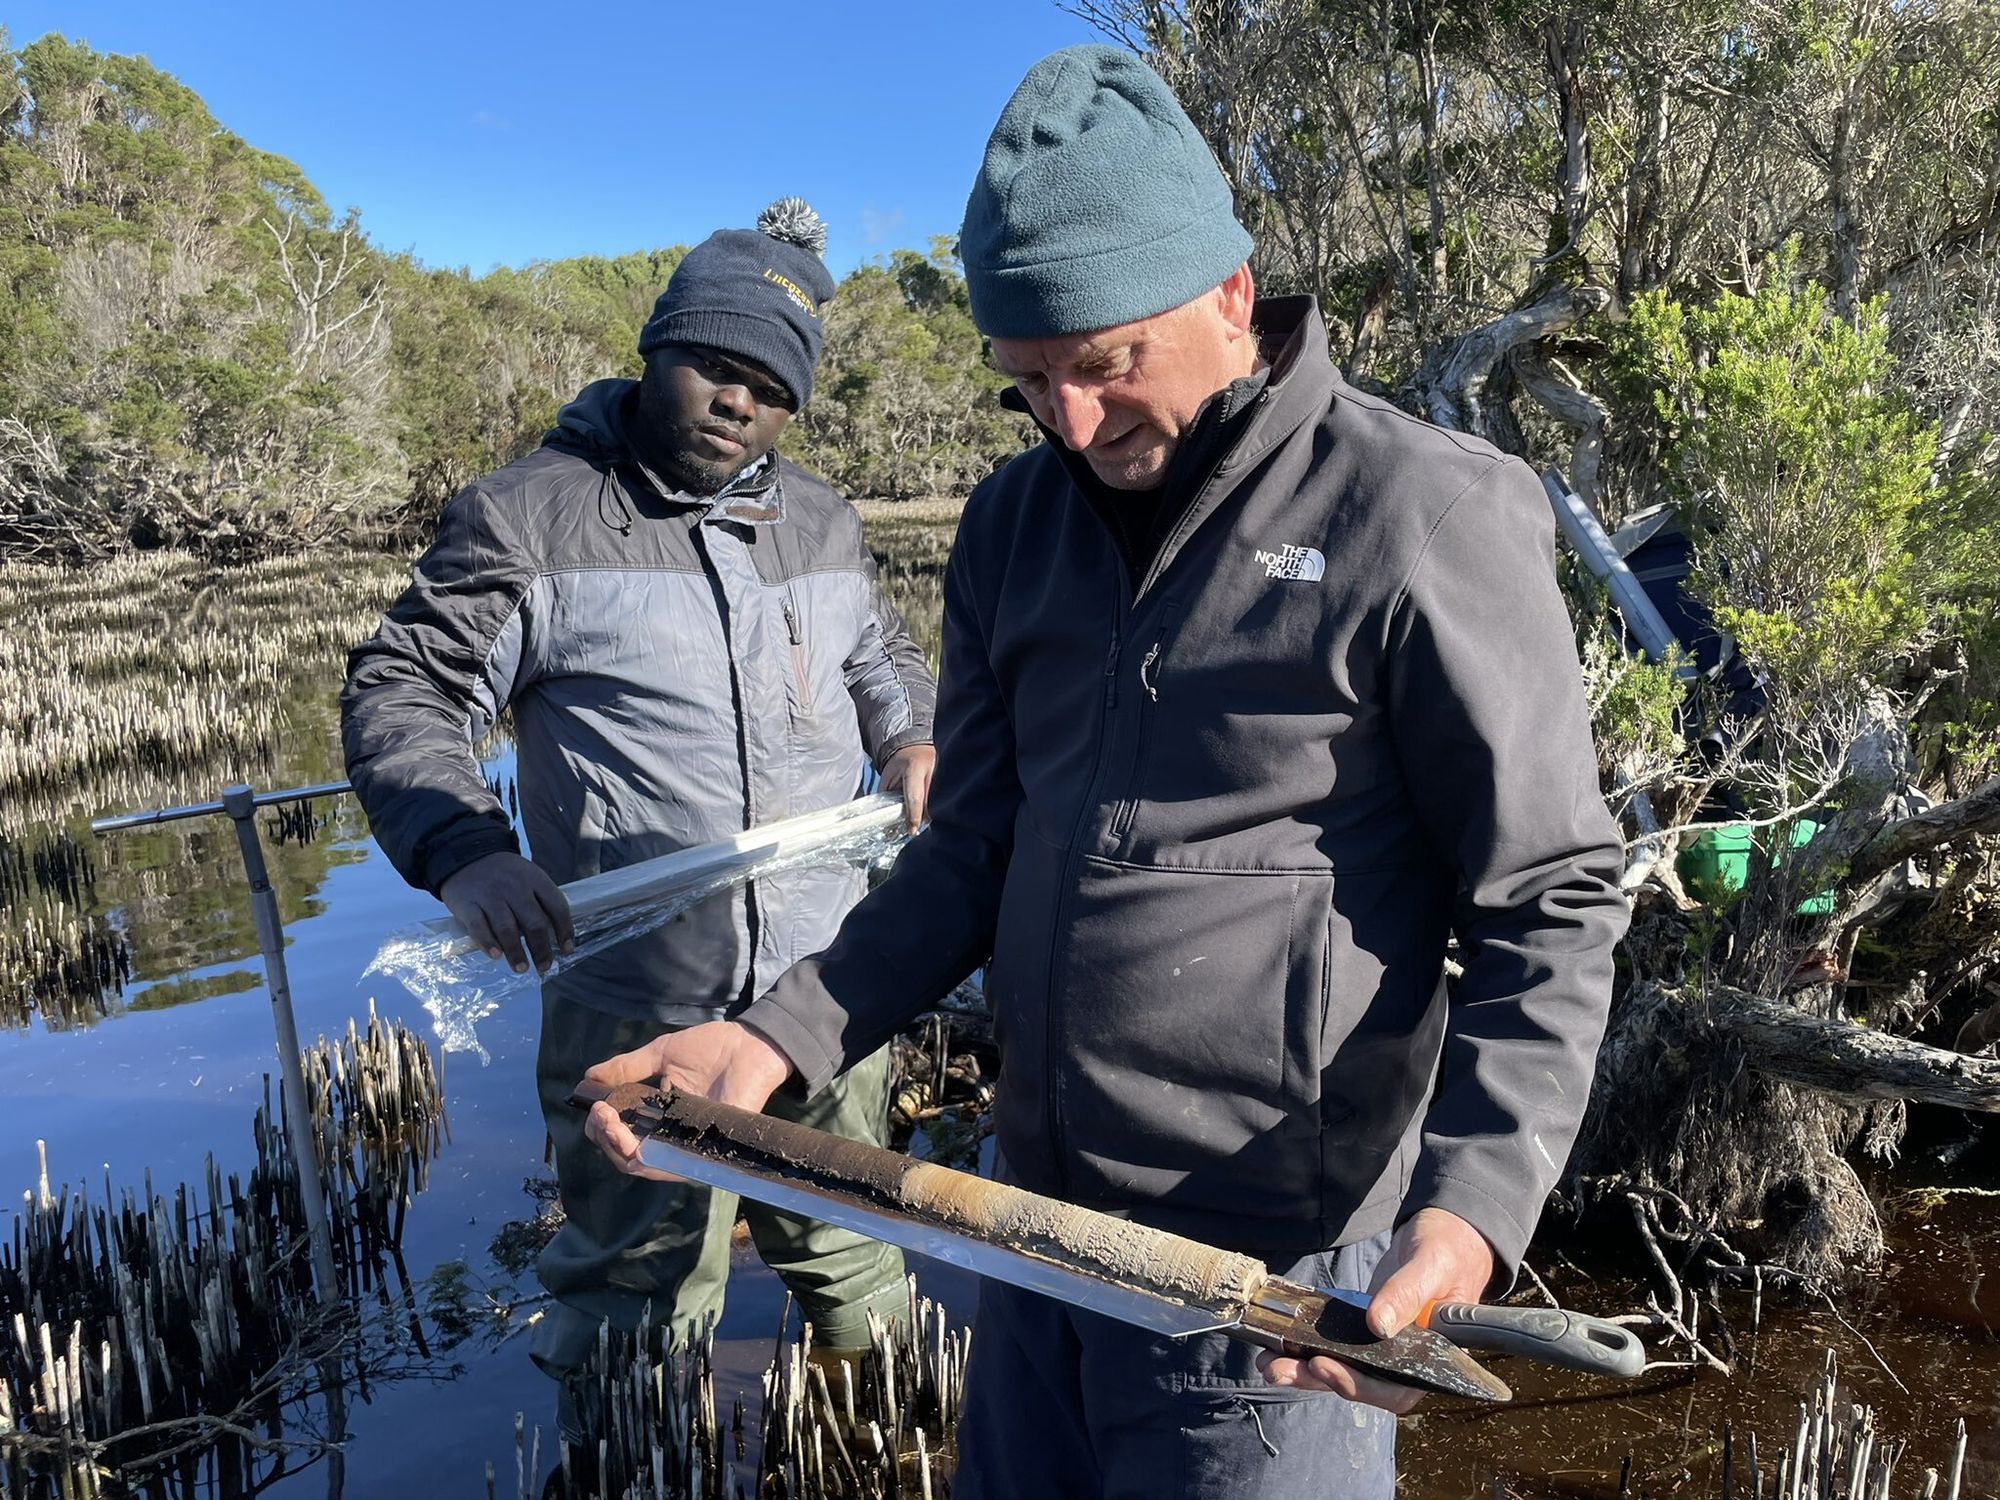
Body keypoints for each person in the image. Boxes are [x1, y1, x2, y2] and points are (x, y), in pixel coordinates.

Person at [584, 49, 1629, 1499]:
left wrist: (1467, 1216)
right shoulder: (1015, 522)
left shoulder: (1424, 511)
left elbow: (1551, 898)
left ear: (1228, 295)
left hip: (1274, 1280)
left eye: (1104, 362)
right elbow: (969, 849)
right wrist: (770, 1046)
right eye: (1028, 381)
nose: (1073, 425)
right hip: (1025, 1232)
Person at [341, 199, 937, 1439]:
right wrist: (465, 849)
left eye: (768, 388)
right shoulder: (529, 515)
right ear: (655, 347)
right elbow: (409, 689)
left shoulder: (821, 518)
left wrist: (911, 733)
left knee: (855, 1253)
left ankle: (886, 1442)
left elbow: (874, 656)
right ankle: (628, 1458)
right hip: (633, 989)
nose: (736, 402)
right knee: (636, 1291)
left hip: (828, 984)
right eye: (713, 366)